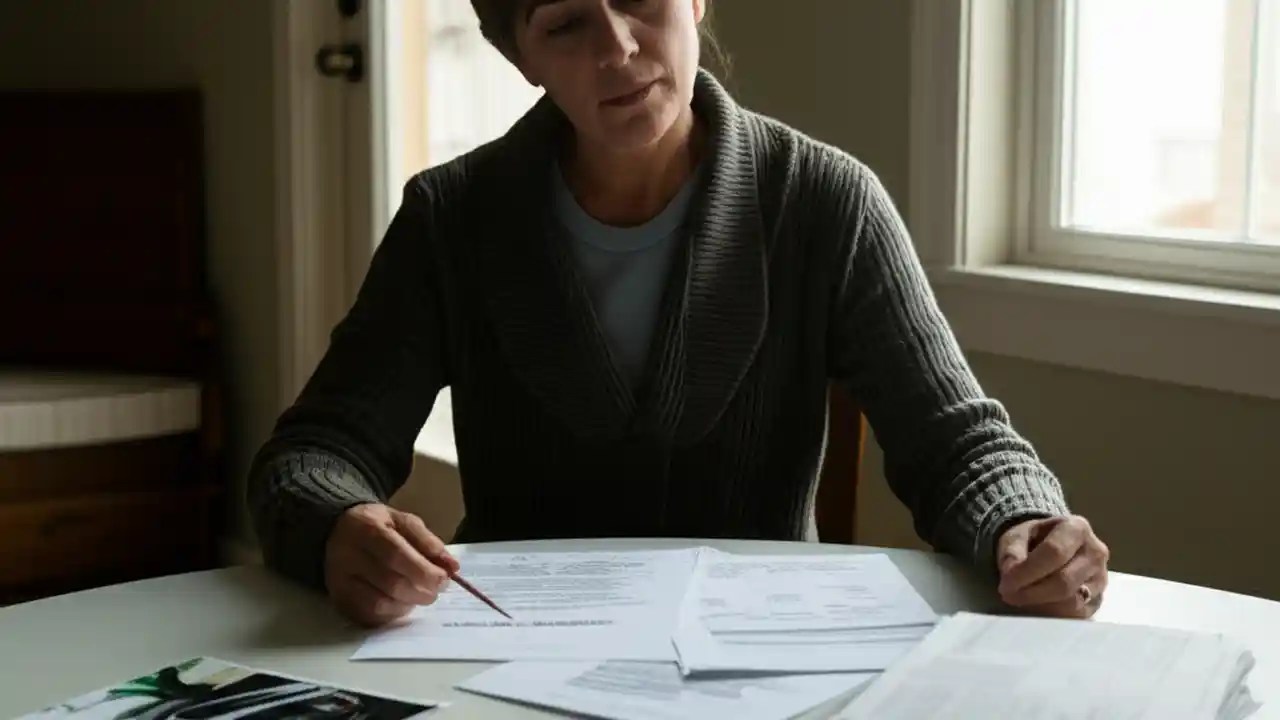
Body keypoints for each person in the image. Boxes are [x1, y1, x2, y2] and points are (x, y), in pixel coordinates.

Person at [248, 0, 1110, 628]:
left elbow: (957, 442)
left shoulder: (824, 202)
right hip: (505, 661)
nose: (618, 47)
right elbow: (315, 452)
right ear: (520, 56)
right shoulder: (451, 219)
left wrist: (1024, 523)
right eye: (566, 23)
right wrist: (337, 526)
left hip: (764, 666)